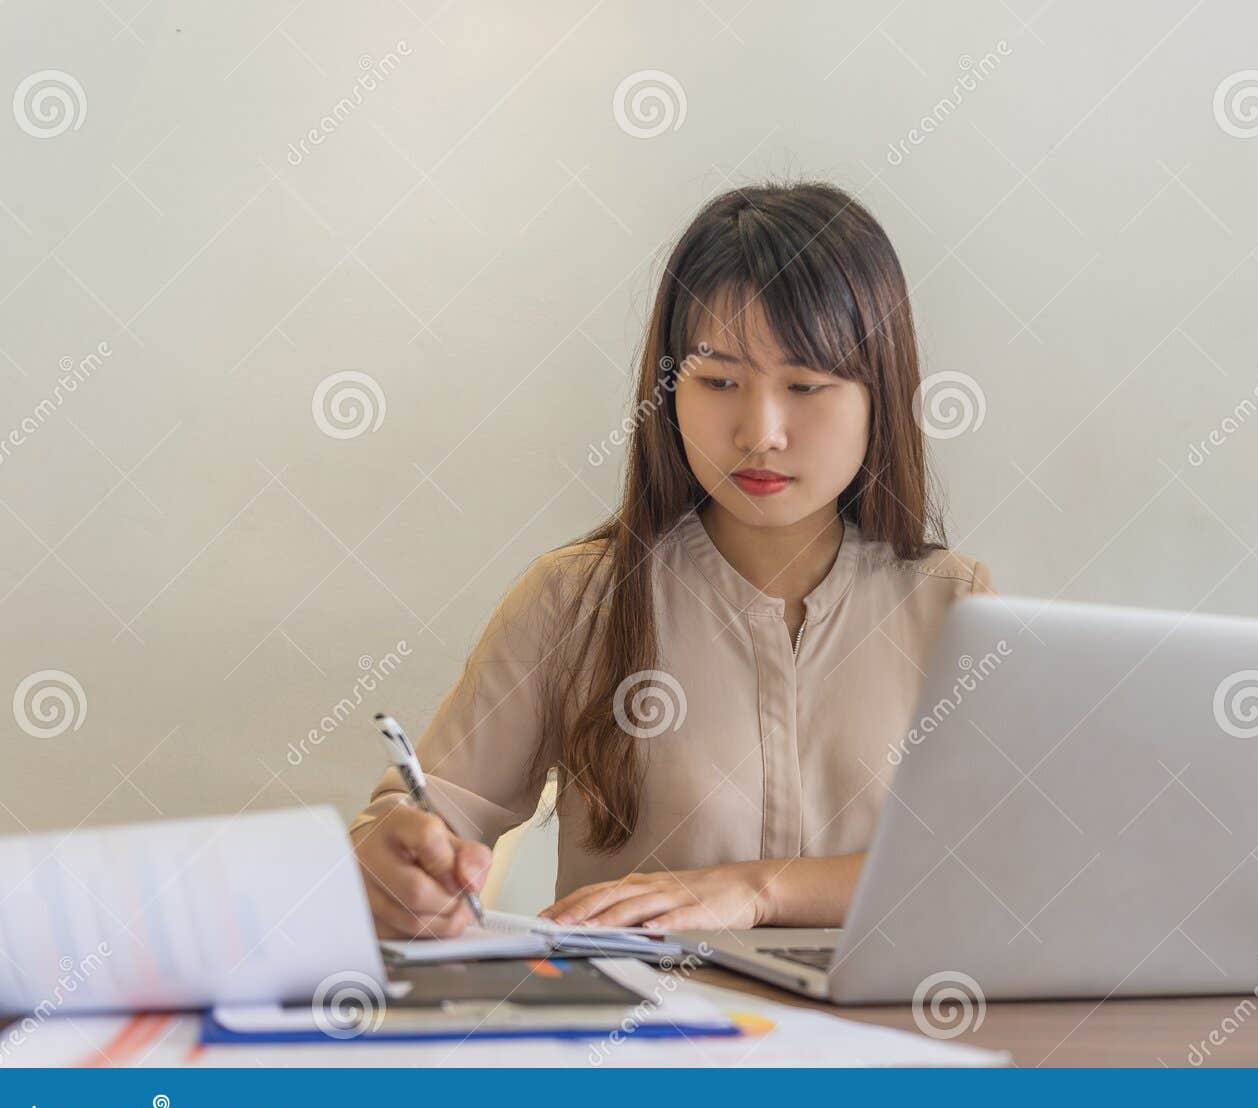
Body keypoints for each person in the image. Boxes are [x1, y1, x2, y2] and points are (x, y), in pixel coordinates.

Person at [349, 180, 996, 939]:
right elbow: (426, 812)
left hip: (885, 1048)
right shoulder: (574, 600)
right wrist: (391, 860)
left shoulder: (956, 609)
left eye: (806, 385)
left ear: (880, 392)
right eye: (718, 381)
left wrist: (756, 890)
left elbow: (990, 868)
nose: (760, 431)